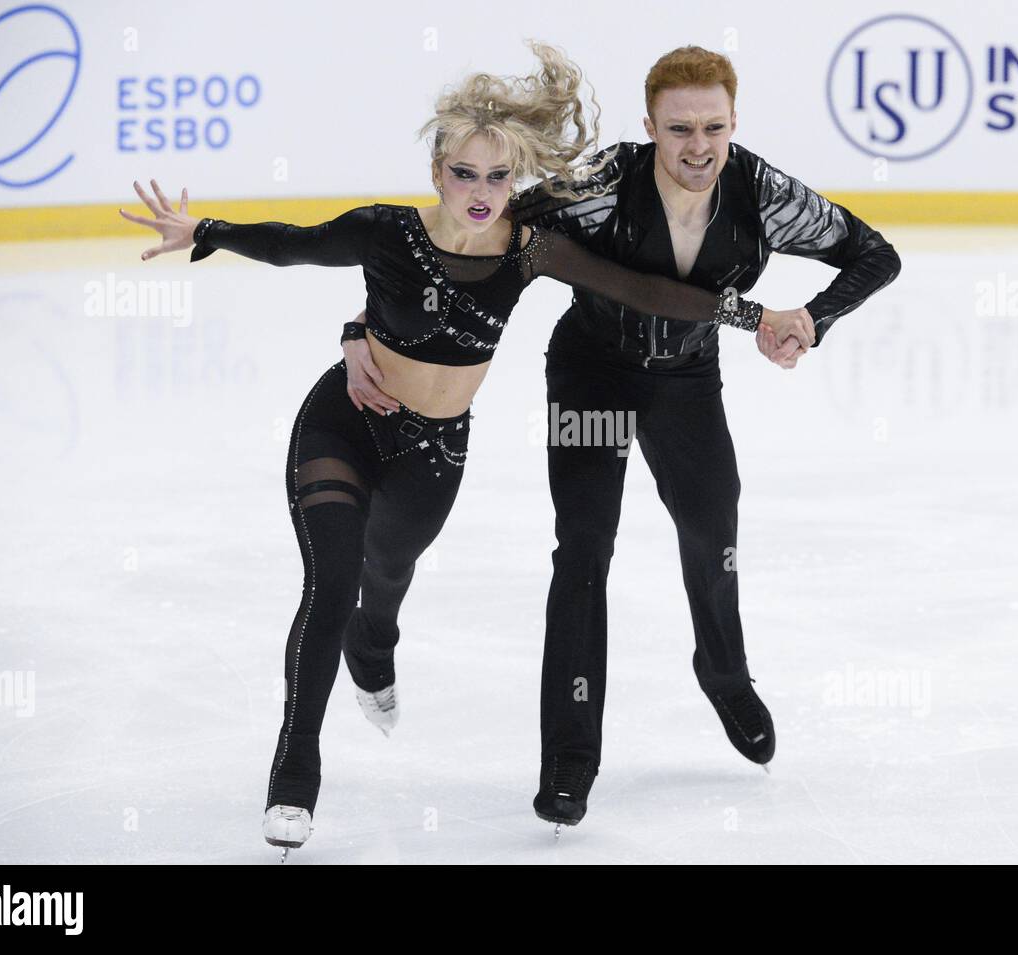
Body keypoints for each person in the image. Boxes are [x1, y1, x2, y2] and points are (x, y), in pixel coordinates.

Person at [119, 41, 810, 858]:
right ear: (437, 172)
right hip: (345, 420)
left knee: (385, 577)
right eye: (463, 174)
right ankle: (294, 778)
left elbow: (643, 289)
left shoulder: (529, 247)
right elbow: (294, 241)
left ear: (513, 177)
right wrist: (207, 230)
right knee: (331, 578)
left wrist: (750, 314)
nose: (480, 193)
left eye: (497, 176)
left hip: (434, 452)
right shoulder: (384, 232)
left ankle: (376, 646)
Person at [344, 45, 901, 831]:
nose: (697, 146)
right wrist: (361, 323)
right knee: (584, 547)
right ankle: (569, 756)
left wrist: (812, 317)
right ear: (650, 127)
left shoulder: (764, 193)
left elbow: (876, 254)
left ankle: (723, 669)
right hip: (594, 375)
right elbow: (473, 233)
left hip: (685, 388)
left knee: (714, 531)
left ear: (734, 123)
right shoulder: (606, 183)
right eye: (679, 129)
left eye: (713, 127)